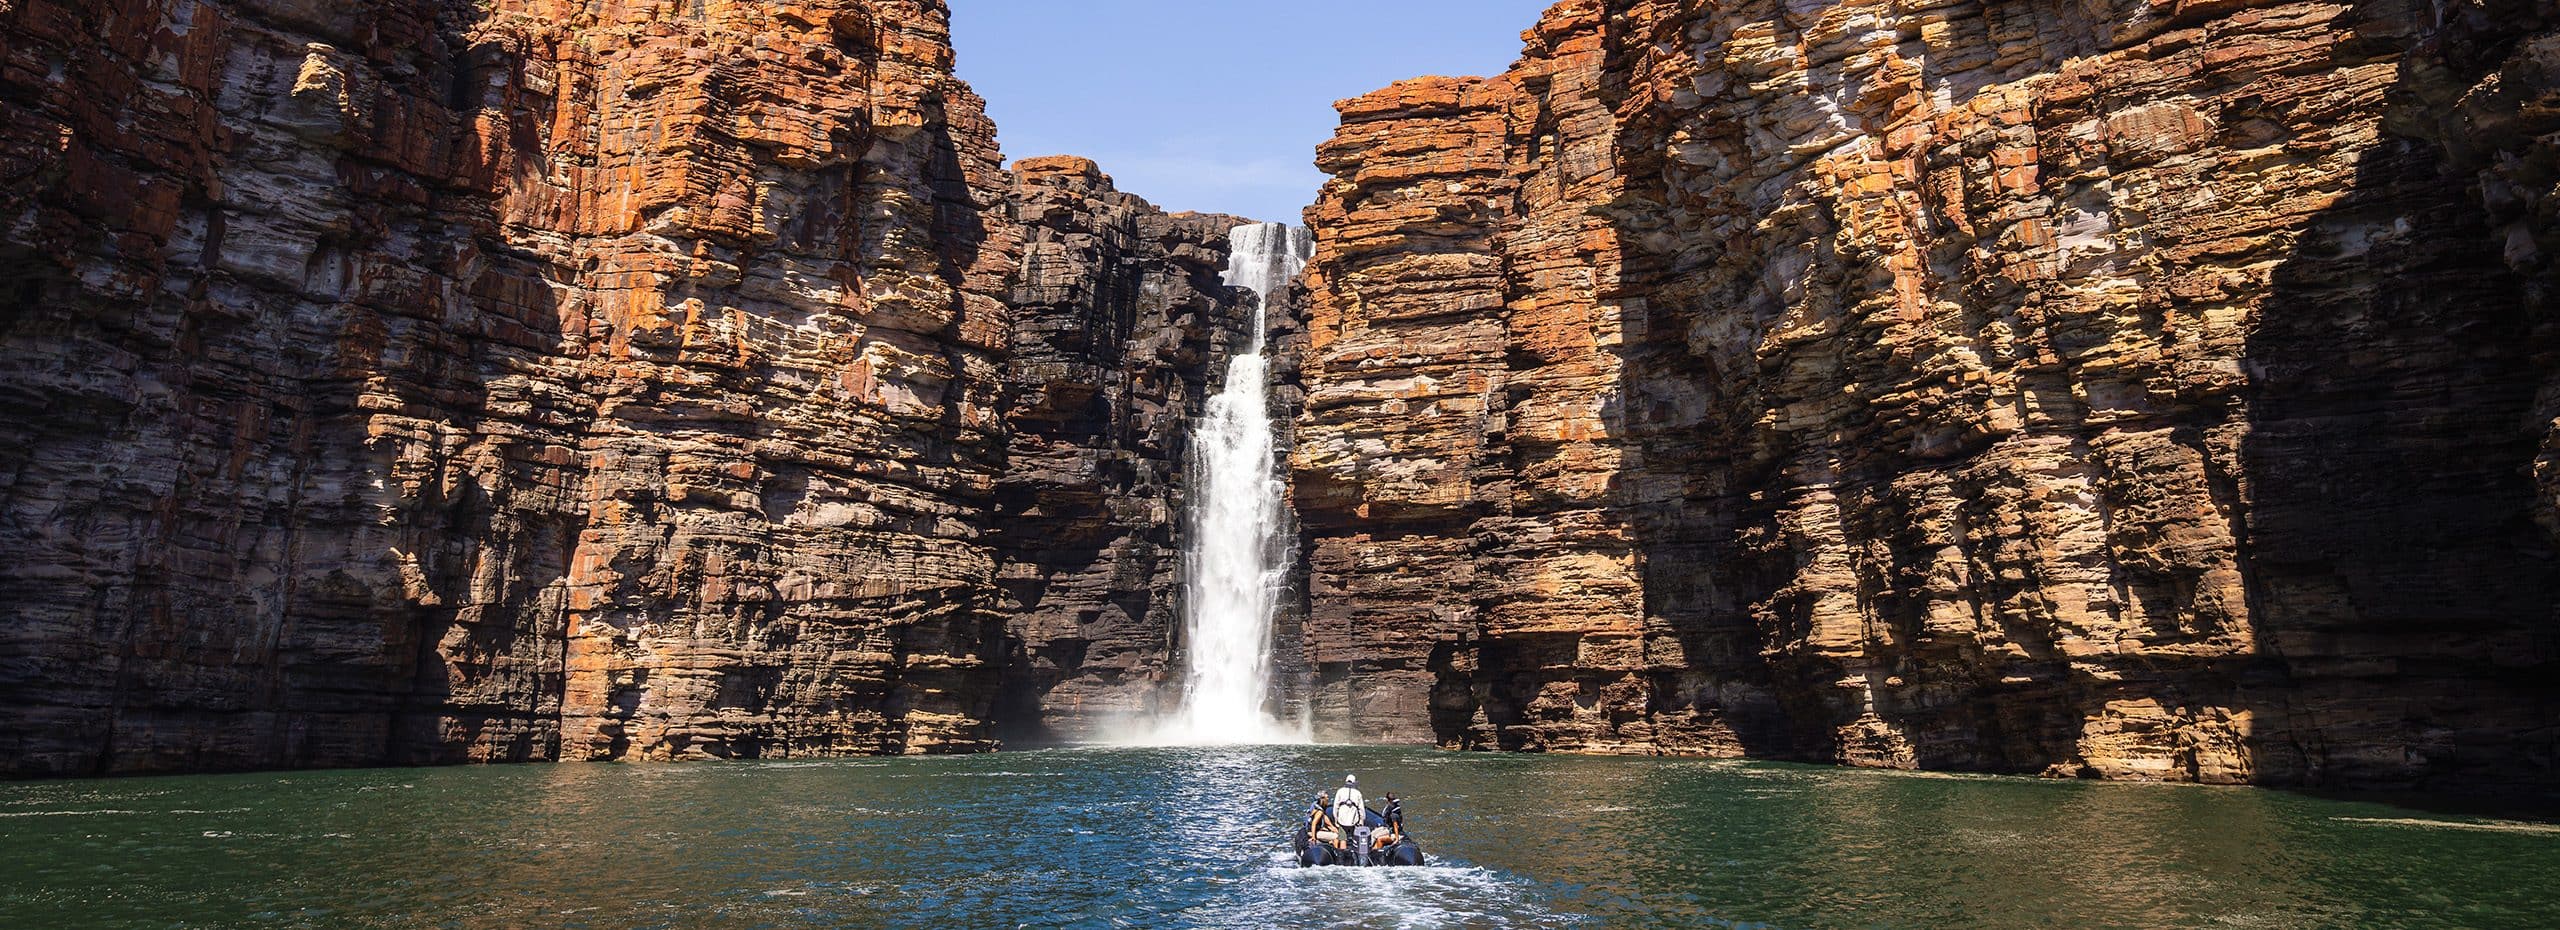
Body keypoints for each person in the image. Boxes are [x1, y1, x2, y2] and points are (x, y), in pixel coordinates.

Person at [1332, 775, 1369, 864]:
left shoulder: (1340, 791)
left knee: (1343, 839)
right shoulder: (1358, 793)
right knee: (1355, 838)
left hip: (1342, 820)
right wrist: (1362, 820)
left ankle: (1342, 859)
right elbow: (1361, 809)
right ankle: (1355, 858)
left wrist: (1336, 819)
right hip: (1354, 820)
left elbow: (1335, 806)